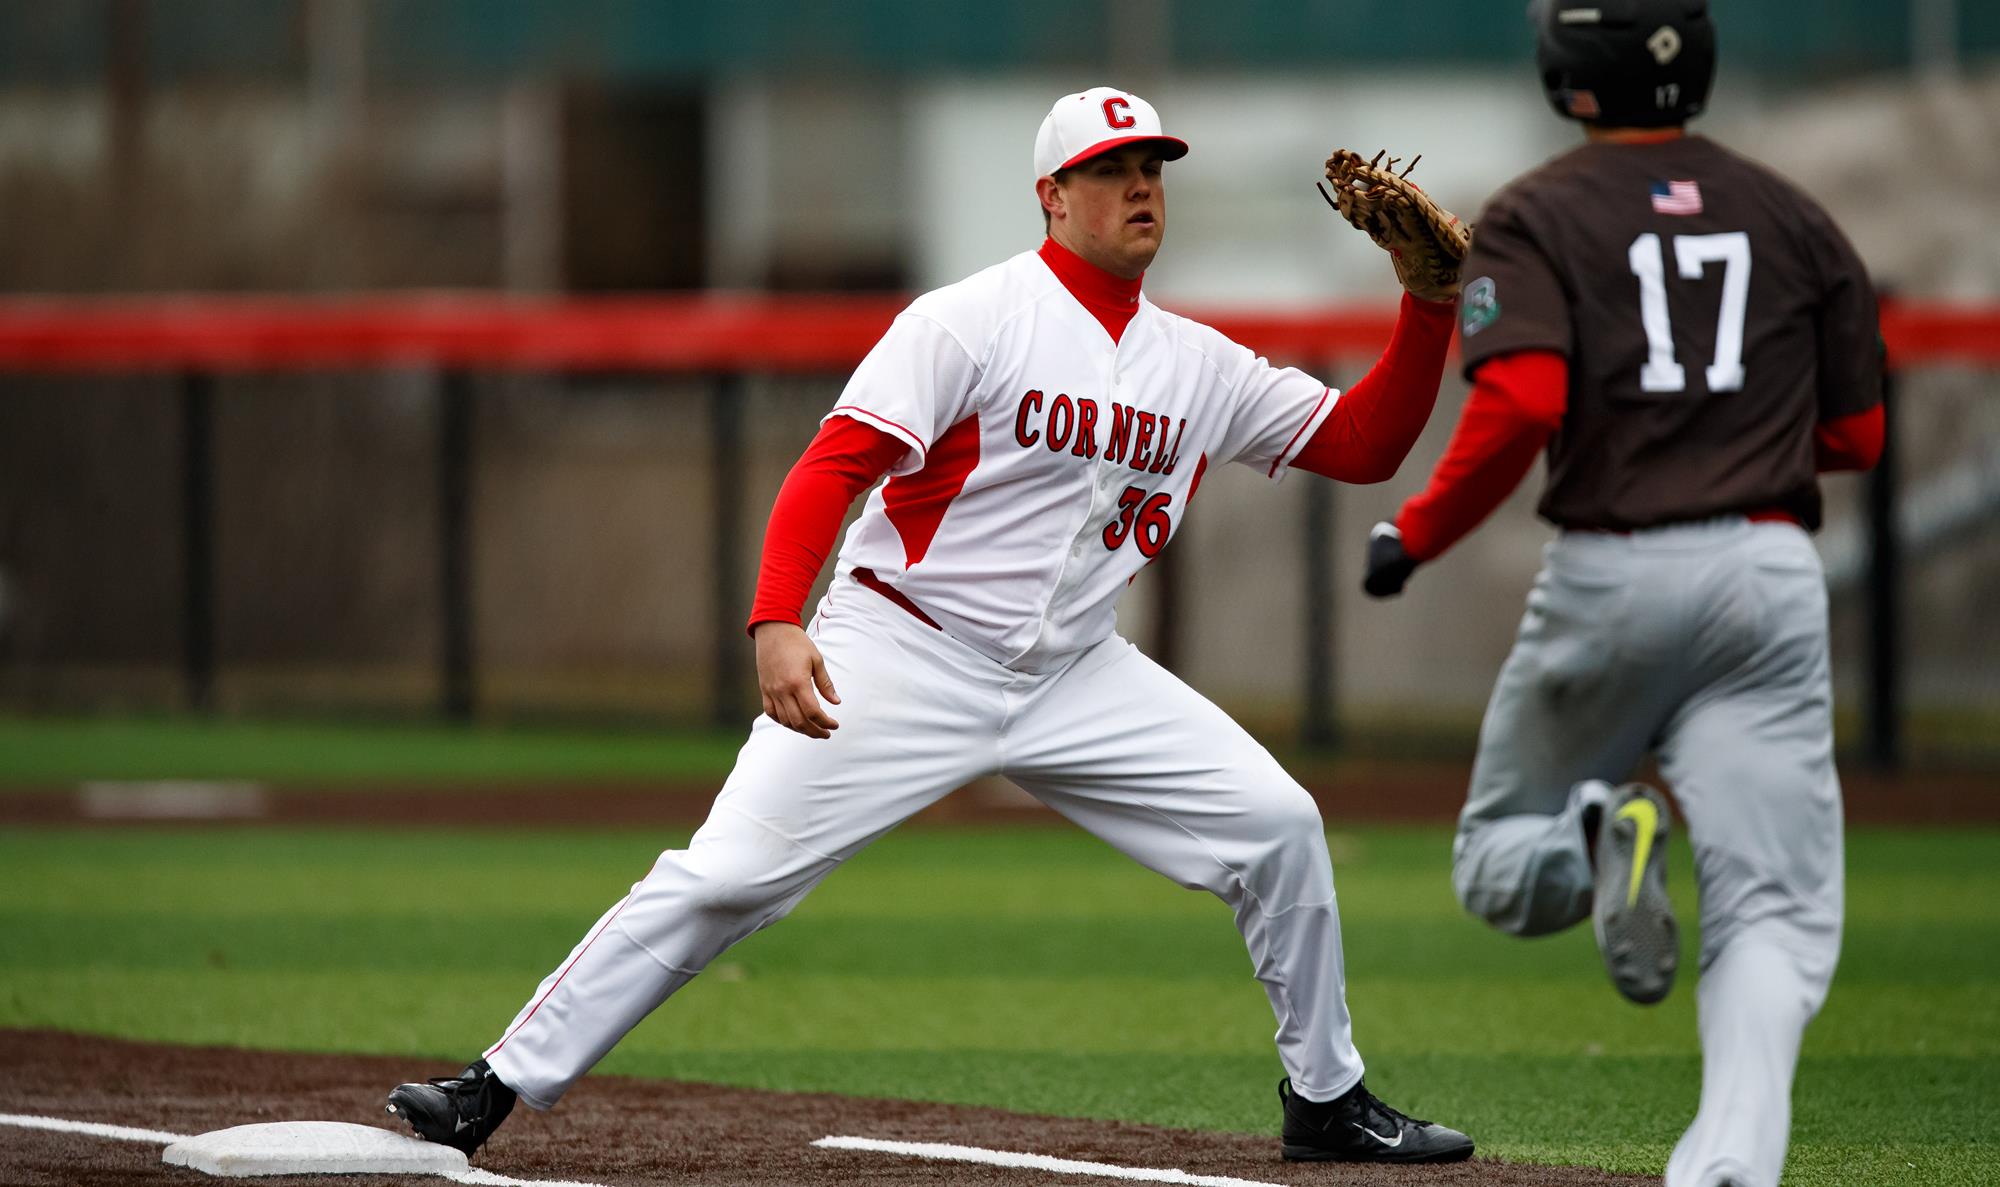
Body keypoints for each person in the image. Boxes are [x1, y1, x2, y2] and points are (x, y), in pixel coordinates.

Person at [388, 86, 1473, 1165]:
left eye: (1151, 167)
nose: (1139, 186)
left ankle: (1325, 1100)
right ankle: (492, 1084)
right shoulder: (969, 319)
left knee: (1279, 825)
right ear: (1052, 196)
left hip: (1076, 672)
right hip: (902, 648)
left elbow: (1363, 443)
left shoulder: (1198, 363)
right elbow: (834, 464)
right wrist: (776, 618)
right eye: (1108, 170)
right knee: (726, 877)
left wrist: (1426, 304)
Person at [1361, 5, 1883, 1186]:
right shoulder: (1792, 214)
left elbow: (1521, 403)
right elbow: (1856, 434)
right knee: (1772, 909)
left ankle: (1594, 834)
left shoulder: (1535, 213)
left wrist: (1415, 531)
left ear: (1566, 80)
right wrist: (1734, 439)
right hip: (1763, 572)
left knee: (1496, 858)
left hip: (1611, 566)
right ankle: (1727, 1164)